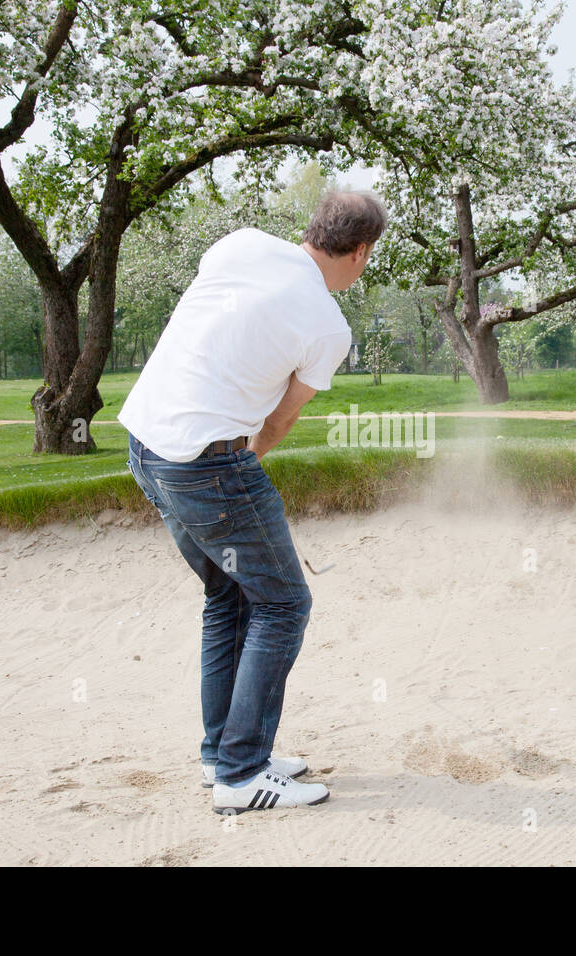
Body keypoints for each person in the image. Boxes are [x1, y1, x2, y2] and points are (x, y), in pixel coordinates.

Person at [119, 189, 387, 814]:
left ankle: (224, 754)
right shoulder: (329, 327)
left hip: (144, 445)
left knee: (230, 597)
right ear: (361, 251)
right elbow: (277, 424)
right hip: (205, 463)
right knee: (284, 604)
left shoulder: (239, 242)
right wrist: (237, 481)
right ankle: (242, 774)